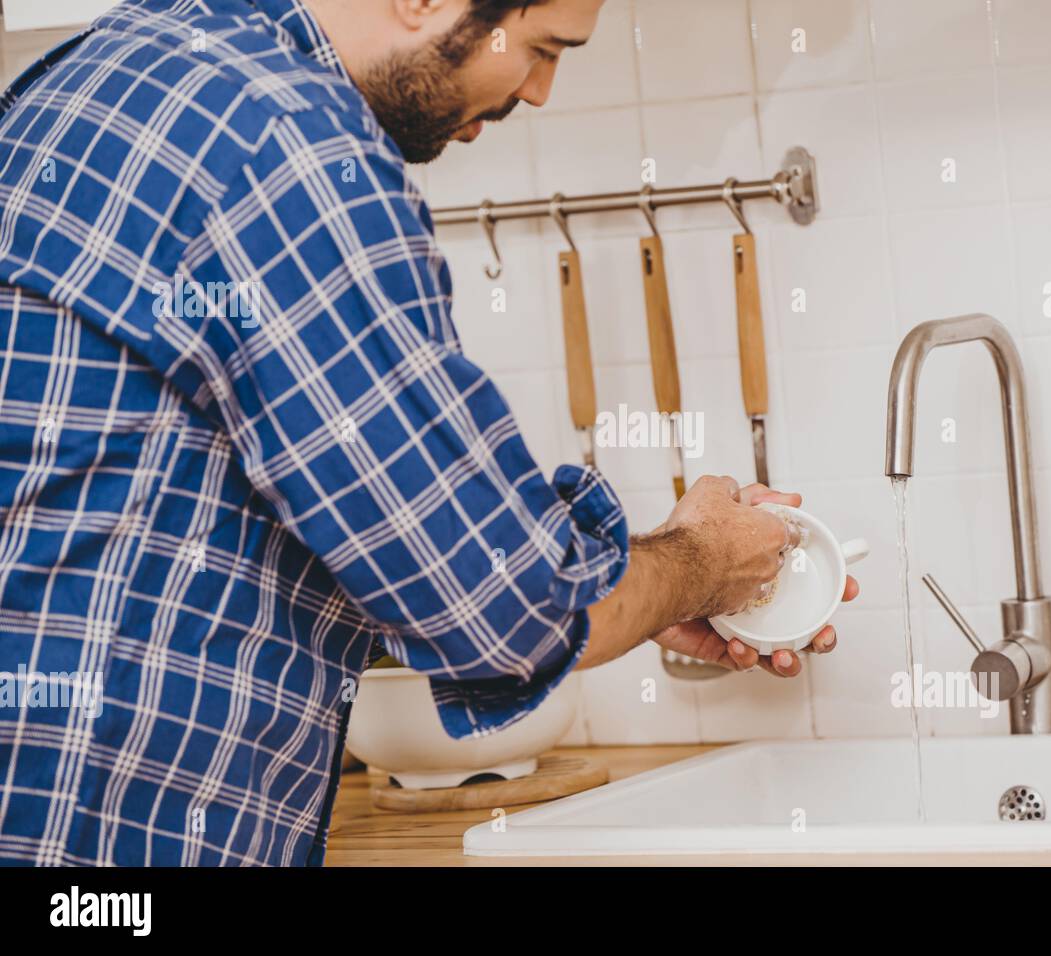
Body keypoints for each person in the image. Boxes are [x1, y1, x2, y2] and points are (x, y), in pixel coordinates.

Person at [0, 0, 855, 866]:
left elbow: (202, 543)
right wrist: (701, 560)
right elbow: (500, 607)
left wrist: (641, 591)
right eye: (540, 47)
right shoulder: (286, 143)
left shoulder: (92, 77)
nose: (542, 88)